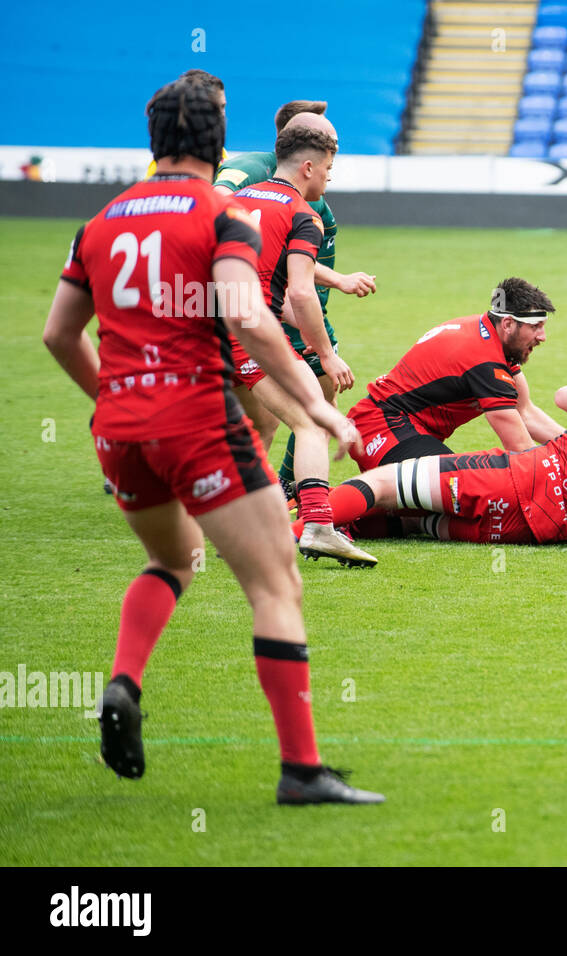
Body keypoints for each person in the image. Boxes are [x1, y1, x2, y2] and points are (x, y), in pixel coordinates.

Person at [42, 73, 383, 803]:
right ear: (219, 143)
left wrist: (112, 397)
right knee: (277, 582)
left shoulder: (101, 221)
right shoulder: (220, 214)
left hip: (119, 432)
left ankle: (125, 683)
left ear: (154, 141)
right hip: (194, 421)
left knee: (174, 559)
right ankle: (301, 771)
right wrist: (315, 401)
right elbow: (249, 317)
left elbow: (59, 333)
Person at [294, 365, 567, 544]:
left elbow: (563, 396)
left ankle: (291, 532)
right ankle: (336, 528)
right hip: (536, 531)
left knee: (385, 484)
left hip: (516, 477)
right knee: (418, 524)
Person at [230, 123, 377, 567]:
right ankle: (318, 526)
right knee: (311, 421)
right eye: (328, 169)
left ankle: (244, 525)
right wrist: (327, 355)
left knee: (252, 431)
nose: (329, 180)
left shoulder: (237, 202)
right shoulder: (302, 215)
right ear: (309, 166)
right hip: (248, 336)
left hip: (207, 332)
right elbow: (300, 292)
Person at [345, 278, 565, 473]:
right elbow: (521, 450)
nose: (542, 337)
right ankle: (317, 510)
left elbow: (525, 412)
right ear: (508, 323)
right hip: (383, 428)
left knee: (429, 502)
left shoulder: (492, 337)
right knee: (458, 488)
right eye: (535, 326)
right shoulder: (484, 360)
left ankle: (361, 518)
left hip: (402, 430)